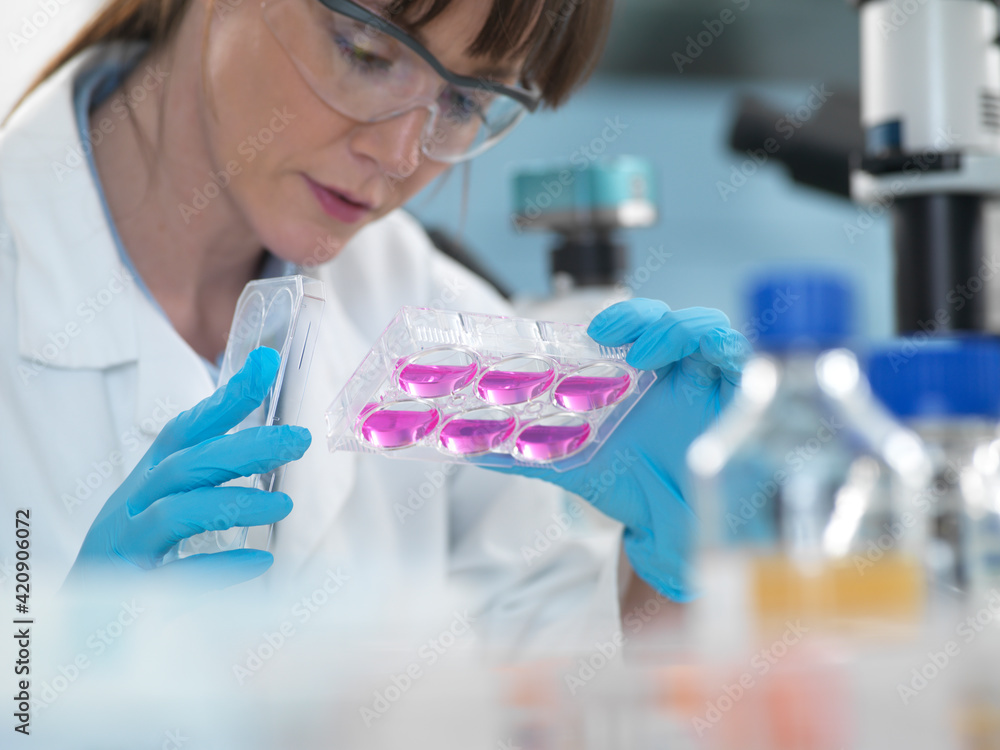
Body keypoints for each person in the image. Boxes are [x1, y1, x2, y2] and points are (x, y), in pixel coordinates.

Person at [0, 0, 749, 650]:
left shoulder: (440, 330)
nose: (398, 154)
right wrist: (43, 694)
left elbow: (553, 695)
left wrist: (670, 571)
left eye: (462, 104)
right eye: (364, 52)